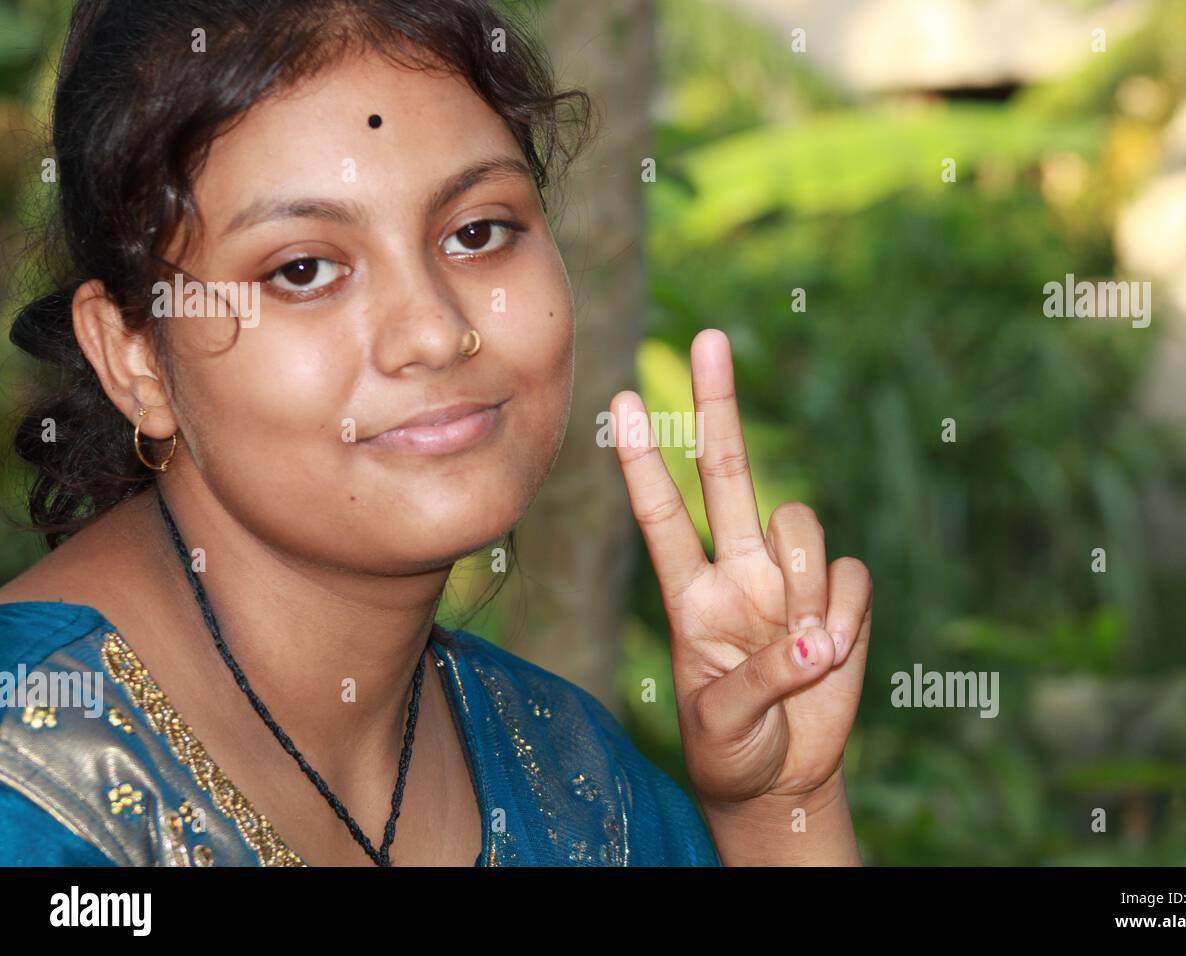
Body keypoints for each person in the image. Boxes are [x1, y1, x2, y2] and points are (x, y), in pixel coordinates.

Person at [0, 0, 871, 867]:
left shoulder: (573, 780)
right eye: (303, 270)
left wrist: (779, 812)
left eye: (477, 232)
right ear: (134, 358)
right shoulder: (32, 780)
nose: (434, 331)